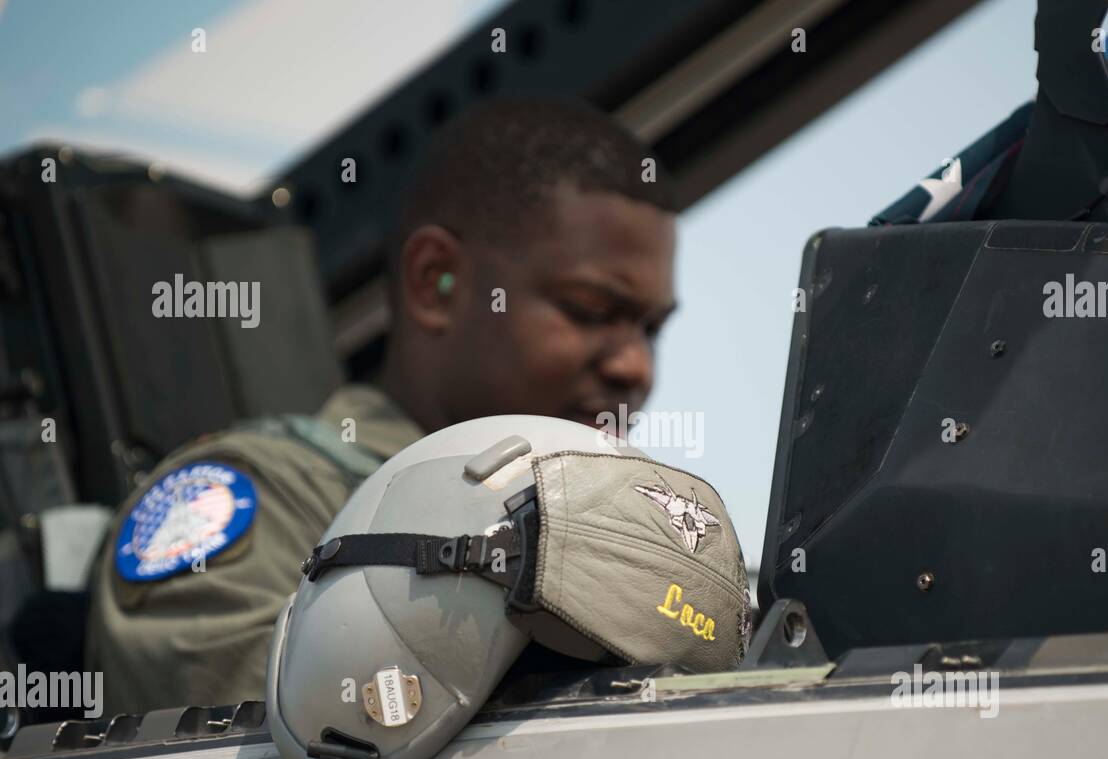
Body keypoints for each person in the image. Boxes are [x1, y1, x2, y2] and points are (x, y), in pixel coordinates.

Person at [85, 97, 680, 714]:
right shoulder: (262, 502)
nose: (634, 366)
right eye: (589, 311)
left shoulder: (616, 540)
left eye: (651, 328)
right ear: (435, 282)